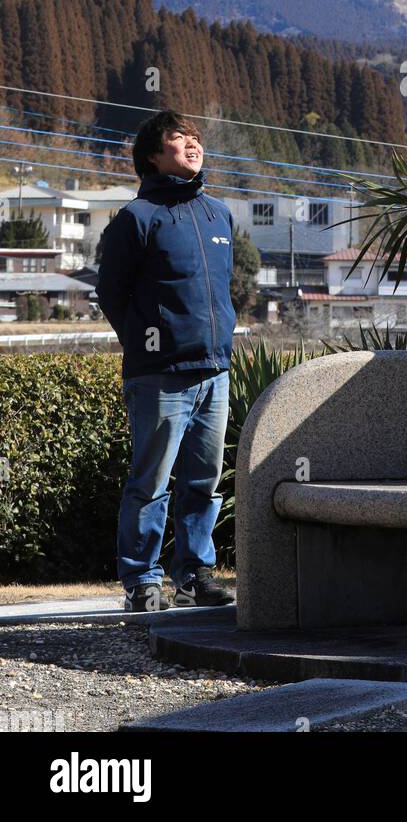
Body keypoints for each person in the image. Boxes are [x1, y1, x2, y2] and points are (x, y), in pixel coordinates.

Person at [97, 109, 237, 612]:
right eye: (179, 139)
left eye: (196, 138)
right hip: (159, 376)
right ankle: (141, 582)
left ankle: (196, 576)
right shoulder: (136, 219)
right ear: (154, 156)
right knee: (151, 483)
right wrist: (147, 342)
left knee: (204, 483)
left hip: (214, 372)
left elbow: (224, 288)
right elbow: (111, 293)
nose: (193, 145)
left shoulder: (219, 214)